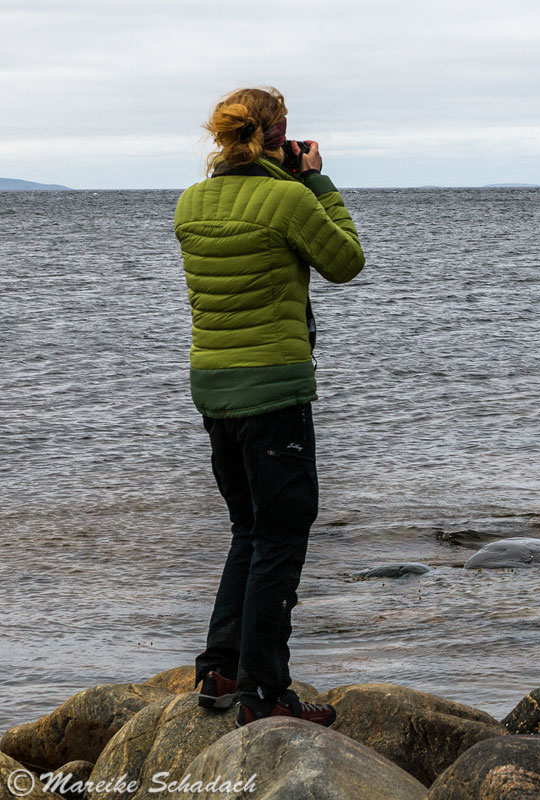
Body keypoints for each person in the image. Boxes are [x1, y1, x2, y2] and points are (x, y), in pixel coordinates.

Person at [175, 87, 365, 727]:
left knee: (248, 528)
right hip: (274, 390)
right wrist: (318, 182)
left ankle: (220, 670)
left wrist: (283, 175)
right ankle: (265, 693)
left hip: (213, 386)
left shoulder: (190, 202)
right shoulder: (290, 198)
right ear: (277, 138)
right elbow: (345, 261)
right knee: (281, 535)